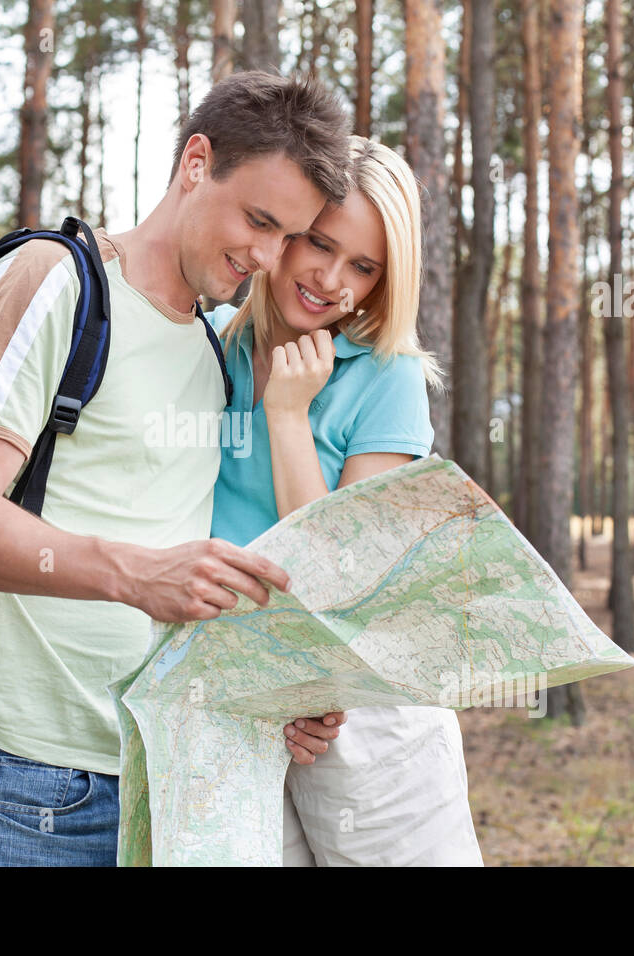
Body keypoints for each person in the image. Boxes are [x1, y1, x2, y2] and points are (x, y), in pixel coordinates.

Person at [0, 72, 354, 866]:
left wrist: (273, 699)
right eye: (258, 219)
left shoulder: (216, 348)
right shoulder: (56, 282)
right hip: (24, 789)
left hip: (171, 780)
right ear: (196, 162)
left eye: (286, 236)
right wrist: (133, 575)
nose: (266, 256)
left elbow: (187, 574)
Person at [208, 136, 484, 866]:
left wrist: (289, 416)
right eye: (320, 245)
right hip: (245, 701)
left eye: (363, 266)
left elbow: (338, 575)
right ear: (285, 230)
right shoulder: (207, 347)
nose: (332, 280)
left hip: (367, 708)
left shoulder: (388, 376)